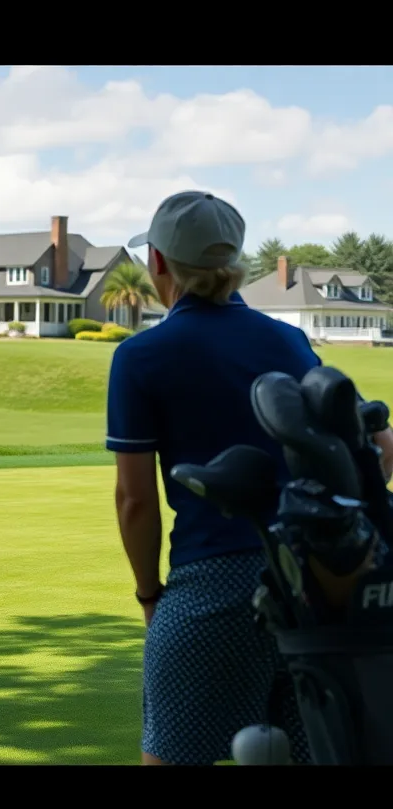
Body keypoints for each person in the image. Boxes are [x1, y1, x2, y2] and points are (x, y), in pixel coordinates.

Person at [106, 191, 349, 765]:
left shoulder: (142, 356)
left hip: (212, 586)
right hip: (309, 586)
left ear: (159, 263)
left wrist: (148, 596)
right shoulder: (287, 340)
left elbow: (135, 501)